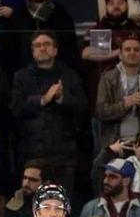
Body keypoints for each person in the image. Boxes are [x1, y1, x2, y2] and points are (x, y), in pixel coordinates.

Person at [11, 32, 86, 193]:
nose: (42, 48)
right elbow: (16, 107)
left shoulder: (70, 75)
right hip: (32, 150)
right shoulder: (21, 77)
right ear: (32, 52)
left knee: (62, 201)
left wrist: (61, 98)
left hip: (64, 153)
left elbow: (82, 106)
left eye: (47, 44)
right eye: (38, 45)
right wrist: (43, 99)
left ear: (55, 50)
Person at [95, 34, 140, 150]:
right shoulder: (107, 77)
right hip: (116, 143)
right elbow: (100, 112)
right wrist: (124, 105)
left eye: (136, 50)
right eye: (128, 50)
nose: (132, 53)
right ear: (120, 54)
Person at [7, 0, 77, 68]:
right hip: (25, 75)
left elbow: (70, 48)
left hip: (57, 72)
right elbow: (11, 53)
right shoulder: (17, 15)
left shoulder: (61, 13)